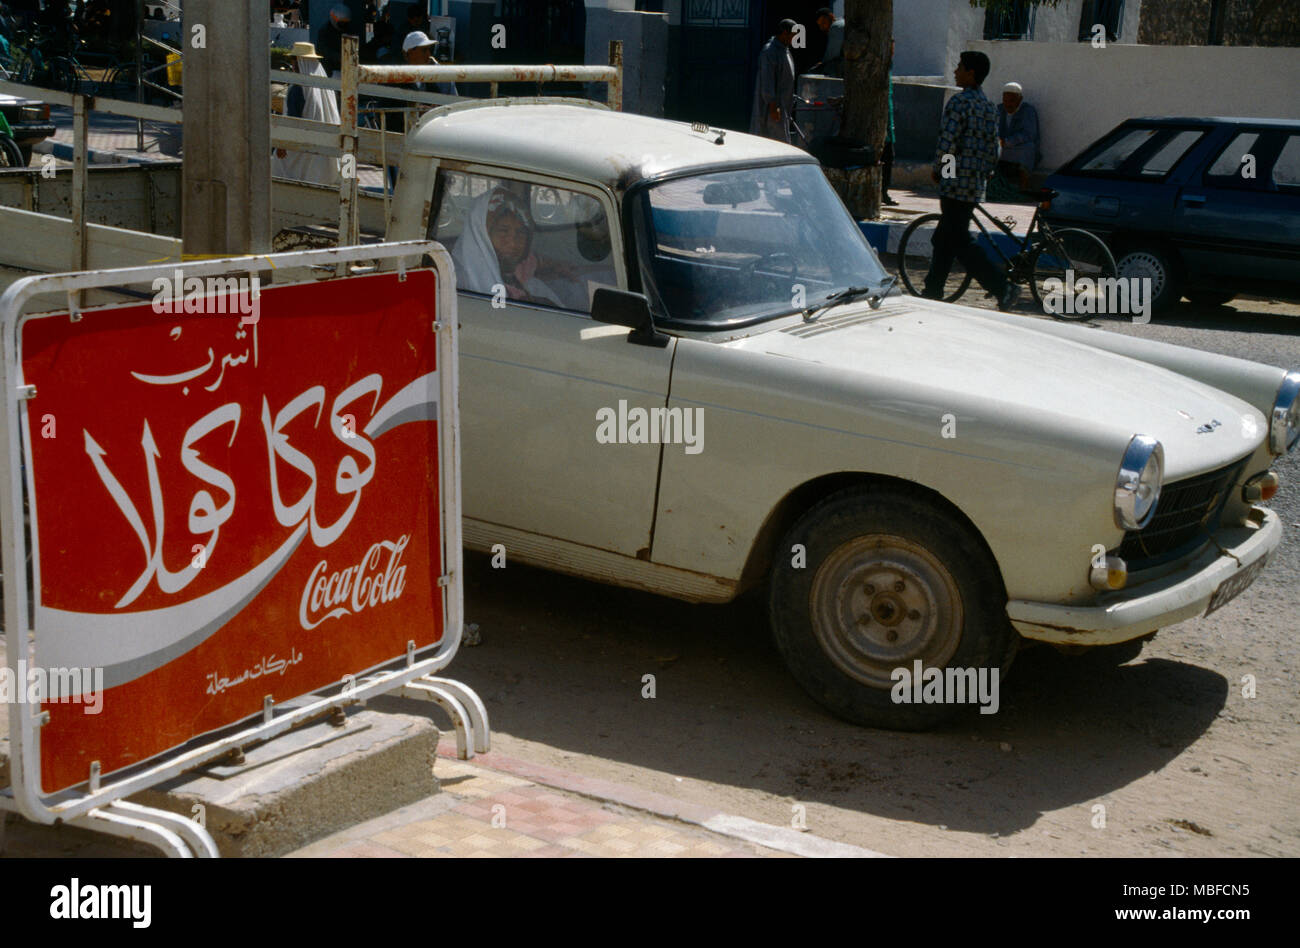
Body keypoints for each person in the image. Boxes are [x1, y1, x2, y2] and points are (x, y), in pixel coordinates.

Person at [922, 50, 1017, 310]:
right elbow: (993, 149)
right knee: (946, 237)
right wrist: (983, 173)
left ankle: (1002, 286)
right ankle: (932, 290)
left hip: (954, 185)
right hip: (974, 185)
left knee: (959, 241)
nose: (955, 71)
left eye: (960, 67)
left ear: (971, 73)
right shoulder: (988, 107)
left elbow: (948, 142)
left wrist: (940, 169)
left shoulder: (959, 103)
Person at [451, 188, 564, 307]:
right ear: (481, 235)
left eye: (520, 233)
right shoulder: (456, 284)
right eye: (503, 231)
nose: (513, 243)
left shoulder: (532, 287)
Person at [273, 42, 342, 187]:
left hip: (302, 146)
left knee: (278, 167)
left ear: (298, 62)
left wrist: (282, 144)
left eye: (294, 60)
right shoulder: (325, 86)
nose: (292, 64)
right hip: (323, 149)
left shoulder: (298, 88)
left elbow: (293, 121)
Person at [750, 19, 797, 144]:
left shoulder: (784, 50)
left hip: (783, 105)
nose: (794, 39)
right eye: (793, 35)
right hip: (772, 108)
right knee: (771, 141)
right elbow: (767, 80)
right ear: (785, 33)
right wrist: (772, 105)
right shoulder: (770, 52)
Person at [996, 81, 1040, 191]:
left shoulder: (1028, 111)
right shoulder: (999, 109)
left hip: (1018, 147)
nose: (1008, 104)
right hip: (1002, 145)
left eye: (1011, 101)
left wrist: (1007, 142)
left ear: (1020, 99)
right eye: (1005, 101)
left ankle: (1023, 188)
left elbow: (1029, 134)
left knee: (1028, 148)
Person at [317, 3, 355, 77]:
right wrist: (339, 57)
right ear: (334, 19)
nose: (343, 26)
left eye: (345, 23)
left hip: (346, 69)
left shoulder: (349, 30)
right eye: (341, 23)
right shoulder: (325, 31)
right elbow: (323, 50)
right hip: (330, 70)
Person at [881, 37, 897, 205]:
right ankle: (882, 192)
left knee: (889, 157)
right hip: (882, 122)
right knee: (885, 157)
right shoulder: (881, 68)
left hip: (888, 120)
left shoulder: (888, 67)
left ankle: (884, 192)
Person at [814, 7, 844, 77]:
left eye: (823, 23)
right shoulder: (842, 22)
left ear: (831, 16)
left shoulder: (835, 27)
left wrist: (822, 64)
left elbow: (832, 55)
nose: (822, 28)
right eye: (820, 25)